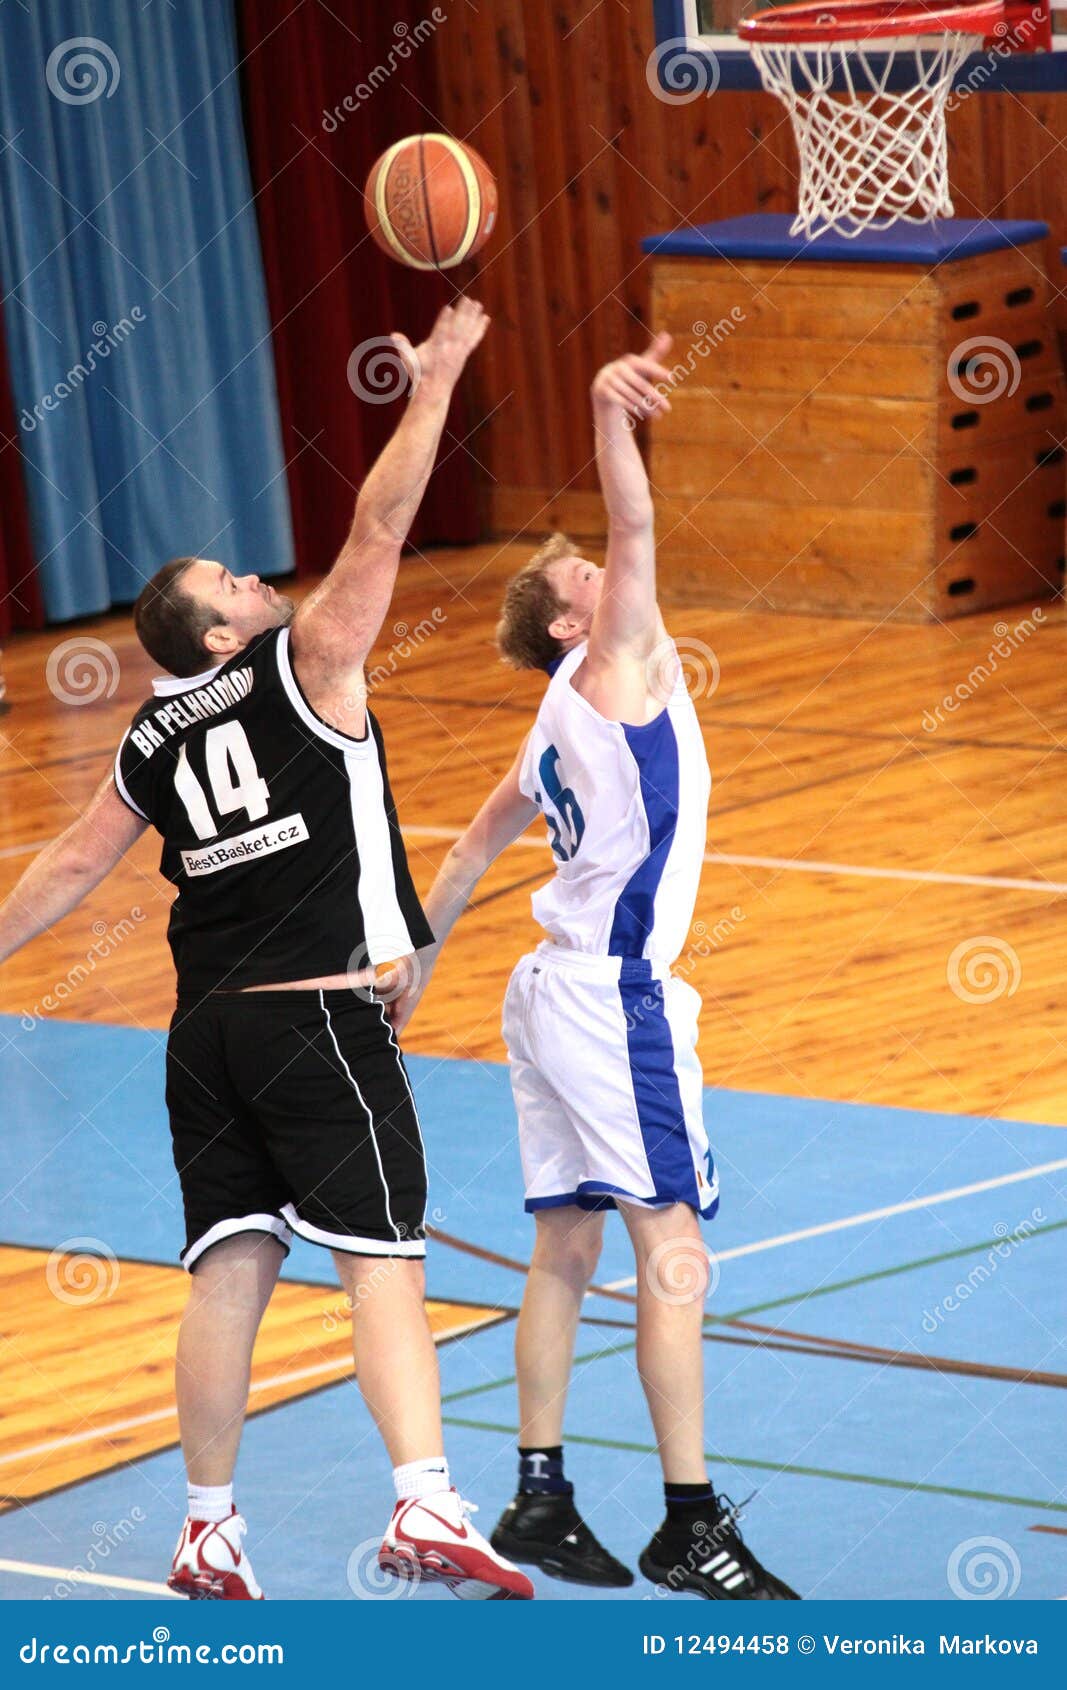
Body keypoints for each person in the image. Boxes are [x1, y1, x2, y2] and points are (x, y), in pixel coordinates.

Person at [0, 298, 533, 1603]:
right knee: (383, 1264)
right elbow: (381, 523)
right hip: (317, 1022)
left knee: (231, 1271)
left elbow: (71, 863)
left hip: (206, 1037)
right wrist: (440, 379)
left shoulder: (148, 736)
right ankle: (426, 1505)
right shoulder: (308, 659)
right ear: (223, 634)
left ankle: (206, 1529)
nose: (256, 577)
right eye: (233, 581)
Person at [389, 333, 798, 1601]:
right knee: (672, 1249)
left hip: (539, 990)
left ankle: (536, 1494)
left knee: (564, 1251)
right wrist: (602, 407)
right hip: (611, 998)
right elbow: (633, 520)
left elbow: (465, 844)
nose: (607, 569)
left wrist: (415, 958)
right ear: (580, 617)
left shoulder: (555, 711)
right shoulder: (615, 665)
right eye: (588, 574)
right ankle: (688, 1521)